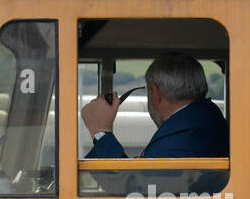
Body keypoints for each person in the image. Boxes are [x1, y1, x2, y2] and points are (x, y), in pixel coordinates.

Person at [81, 53, 229, 159]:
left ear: (155, 92)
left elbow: (135, 190)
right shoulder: (205, 122)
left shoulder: (183, 136)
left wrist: (101, 132)